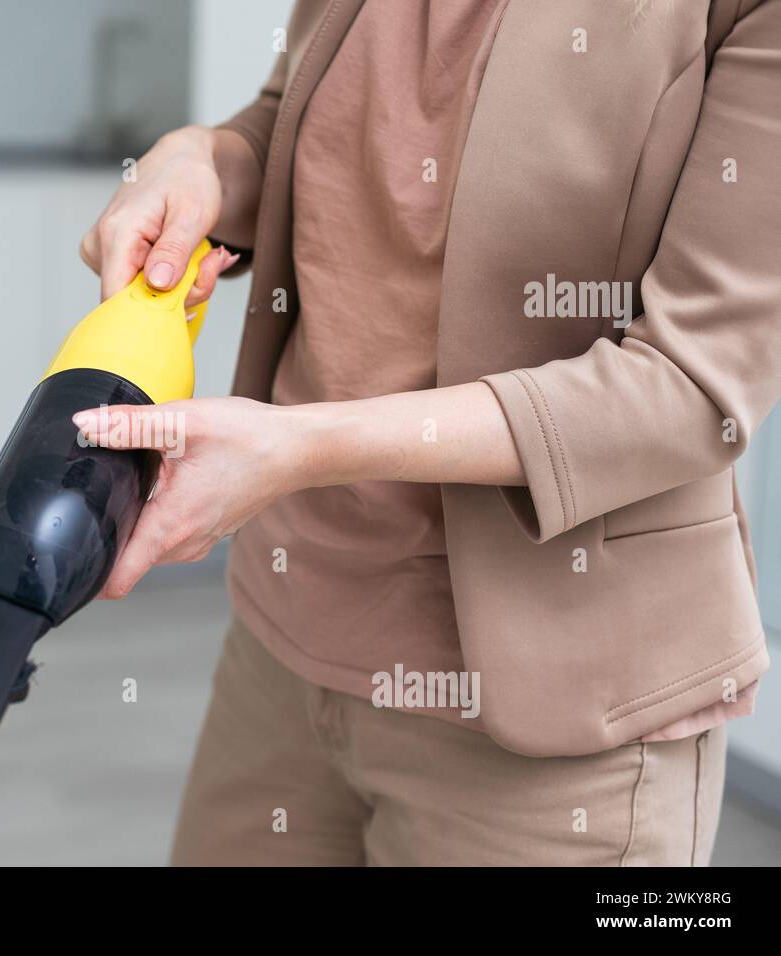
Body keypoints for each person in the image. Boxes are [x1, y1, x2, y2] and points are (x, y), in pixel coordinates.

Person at [74, 0, 780, 865]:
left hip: (557, 722)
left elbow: (689, 383)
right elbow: (302, 117)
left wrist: (304, 447)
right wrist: (203, 161)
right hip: (287, 641)